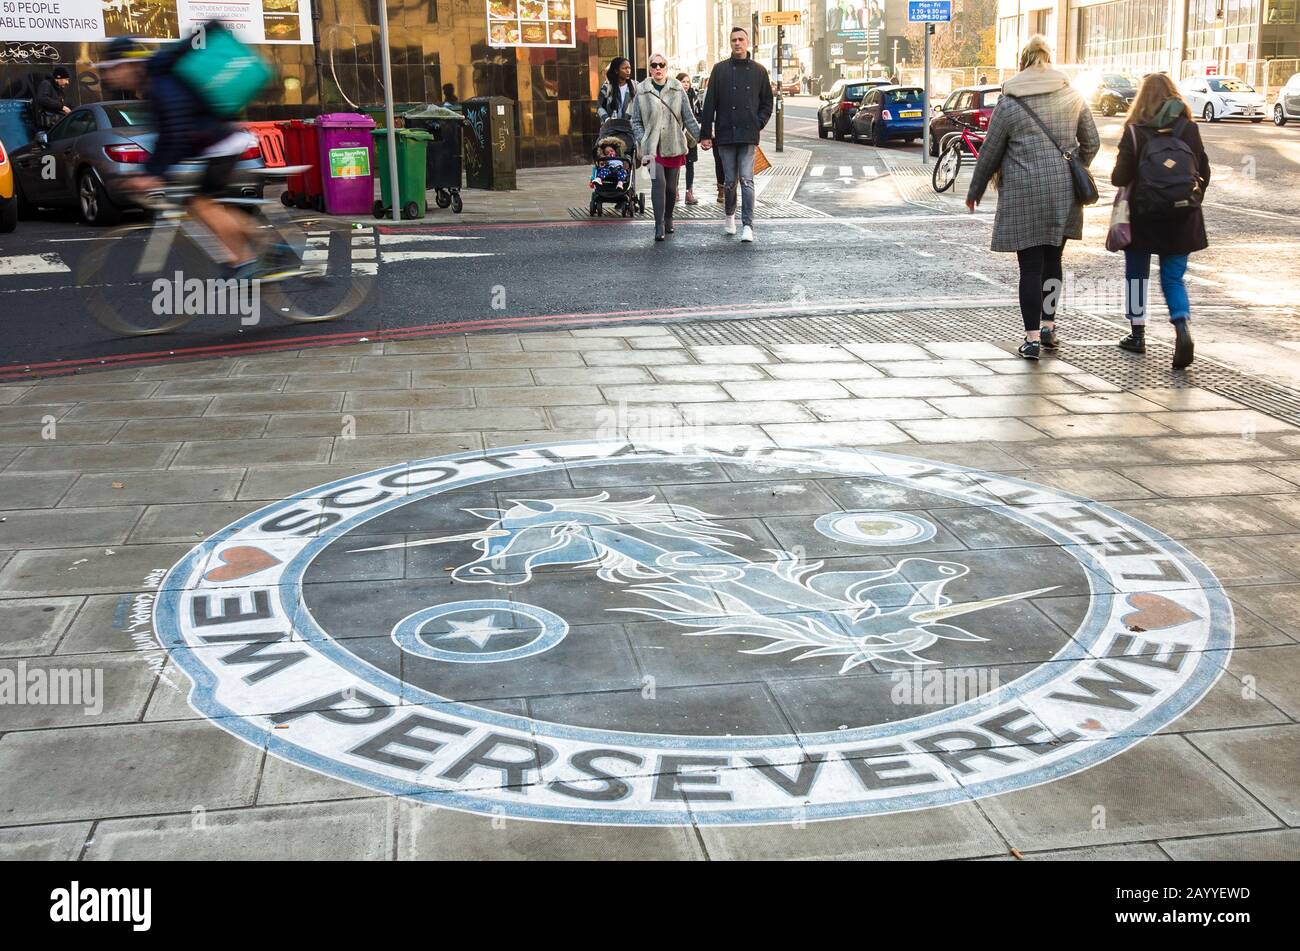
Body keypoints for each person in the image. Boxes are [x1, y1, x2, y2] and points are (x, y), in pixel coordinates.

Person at [965, 36, 1099, 360]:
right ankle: (1050, 326)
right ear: (1049, 59)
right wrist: (1072, 164)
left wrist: (975, 191)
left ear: (1022, 62)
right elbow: (1092, 142)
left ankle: (1032, 338)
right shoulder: (1071, 94)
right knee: (1054, 260)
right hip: (1063, 193)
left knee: (1030, 268)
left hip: (1024, 194)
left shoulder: (1010, 101)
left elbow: (990, 153)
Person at [96, 36, 271, 277]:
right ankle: (269, 246)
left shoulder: (160, 84)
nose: (110, 77)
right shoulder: (155, 82)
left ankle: (245, 261)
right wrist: (150, 172)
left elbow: (176, 132)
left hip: (220, 143)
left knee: (202, 205)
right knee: (202, 204)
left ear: (130, 65)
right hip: (216, 142)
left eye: (112, 69)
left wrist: (151, 174)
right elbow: (168, 134)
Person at [1111, 73, 1208, 369]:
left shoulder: (1135, 130)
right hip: (1182, 217)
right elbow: (1203, 169)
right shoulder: (1187, 128)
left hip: (1143, 216)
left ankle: (1137, 335)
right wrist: (1187, 200)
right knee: (1173, 279)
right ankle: (1182, 328)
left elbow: (1119, 177)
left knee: (1137, 276)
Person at [699, 27, 773, 243]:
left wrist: (758, 122)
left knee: (747, 180)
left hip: (749, 134)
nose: (737, 43)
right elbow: (709, 103)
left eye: (741, 39)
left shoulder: (759, 70)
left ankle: (748, 225)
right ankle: (729, 215)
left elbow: (767, 101)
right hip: (725, 134)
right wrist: (705, 134)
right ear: (730, 43)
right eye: (734, 40)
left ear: (747, 42)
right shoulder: (719, 70)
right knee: (730, 181)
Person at [629, 55, 701, 242]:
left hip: (674, 145)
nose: (658, 68)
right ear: (650, 69)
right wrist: (642, 139)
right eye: (654, 65)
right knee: (658, 182)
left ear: (667, 68)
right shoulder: (642, 91)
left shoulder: (678, 89)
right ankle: (658, 224)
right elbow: (635, 120)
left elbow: (689, 117)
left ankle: (668, 217)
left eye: (662, 65)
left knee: (670, 188)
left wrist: (703, 137)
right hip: (650, 149)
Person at [678, 72, 701, 205]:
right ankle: (674, 191)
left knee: (690, 165)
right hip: (677, 136)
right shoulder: (674, 95)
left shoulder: (694, 96)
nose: (686, 84)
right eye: (683, 81)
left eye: (687, 82)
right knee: (675, 165)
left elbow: (699, 114)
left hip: (690, 136)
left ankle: (689, 192)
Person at [597, 57, 636, 122]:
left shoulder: (635, 86)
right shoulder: (607, 87)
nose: (628, 71)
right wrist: (607, 119)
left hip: (630, 128)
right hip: (612, 128)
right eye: (624, 68)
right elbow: (599, 106)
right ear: (616, 71)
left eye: (629, 68)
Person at [34, 66, 72, 131]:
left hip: (57, 124)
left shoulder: (59, 89)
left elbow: (67, 103)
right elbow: (42, 99)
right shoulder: (46, 84)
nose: (67, 82)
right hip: (48, 126)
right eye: (66, 79)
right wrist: (62, 107)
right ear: (58, 78)